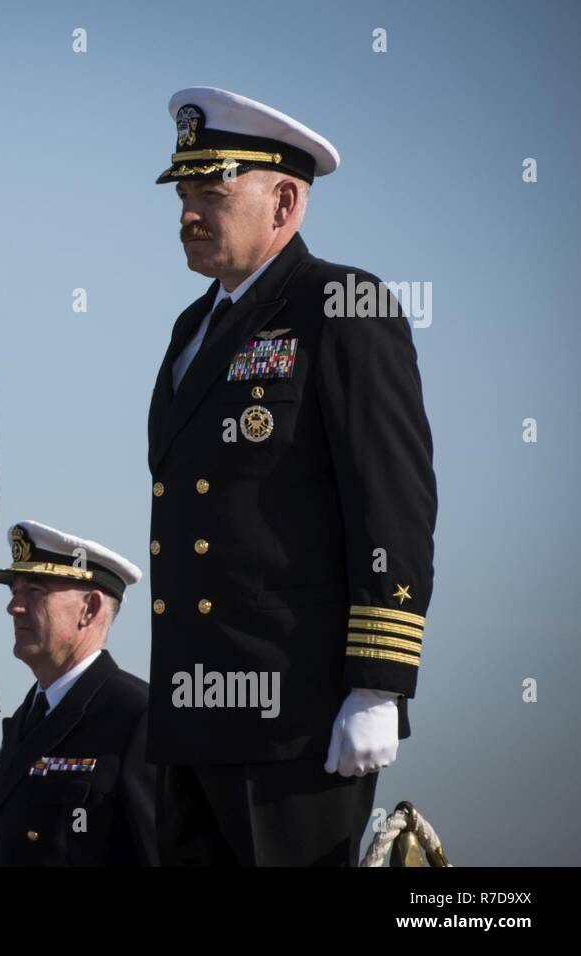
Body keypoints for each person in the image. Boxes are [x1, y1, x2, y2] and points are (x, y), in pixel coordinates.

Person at [146, 88, 438, 865]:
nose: (187, 214)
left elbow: (392, 503)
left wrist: (380, 681)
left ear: (284, 202)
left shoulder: (341, 304)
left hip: (296, 712)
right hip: (193, 710)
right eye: (183, 194)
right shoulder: (193, 326)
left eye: (211, 193)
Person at [0, 521, 158, 866]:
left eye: (34, 591)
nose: (14, 607)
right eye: (13, 592)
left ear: (89, 608)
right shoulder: (28, 716)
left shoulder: (137, 716)